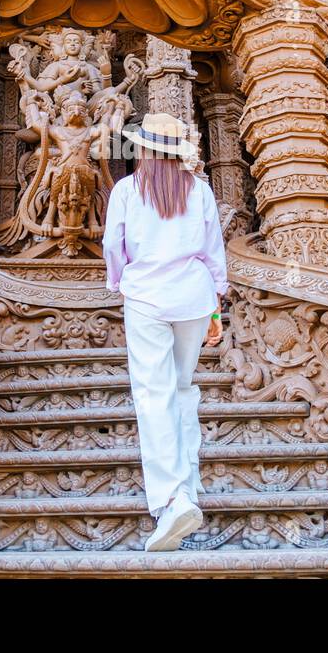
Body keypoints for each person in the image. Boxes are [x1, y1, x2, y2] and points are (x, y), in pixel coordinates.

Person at [101, 112, 227, 551]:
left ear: (143, 149)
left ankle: (172, 500)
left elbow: (111, 245)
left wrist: (119, 282)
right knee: (183, 389)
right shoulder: (201, 190)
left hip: (148, 299)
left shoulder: (127, 191)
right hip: (194, 297)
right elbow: (214, 251)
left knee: (154, 394)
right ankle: (188, 487)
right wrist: (216, 305)